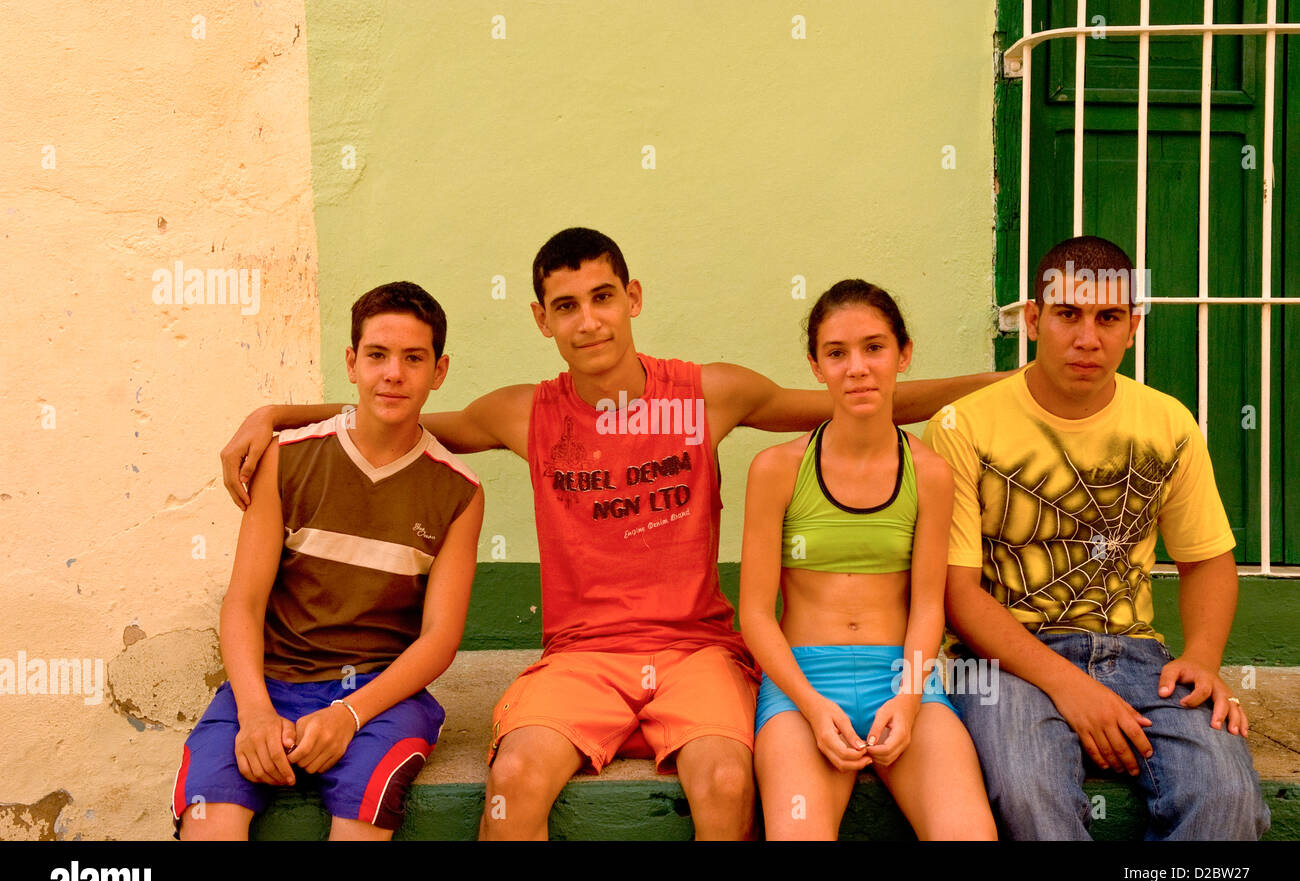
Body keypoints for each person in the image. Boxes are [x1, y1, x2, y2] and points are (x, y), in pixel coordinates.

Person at [219, 228, 1005, 840]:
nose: (588, 319)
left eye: (602, 296)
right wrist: (276, 416)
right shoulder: (525, 411)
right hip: (583, 656)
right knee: (516, 776)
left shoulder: (709, 392)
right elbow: (394, 410)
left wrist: (1016, 382)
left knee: (728, 784)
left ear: (633, 296)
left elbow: (864, 397)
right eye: (566, 305)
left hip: (695, 651)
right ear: (542, 319)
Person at [922, 236, 1271, 840]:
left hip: (1139, 657)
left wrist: (1204, 660)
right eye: (1067, 315)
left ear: (1132, 326)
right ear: (1033, 320)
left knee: (1230, 797)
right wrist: (1072, 688)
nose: (1088, 339)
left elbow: (1208, 560)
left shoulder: (1167, 421)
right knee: (1028, 794)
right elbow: (957, 592)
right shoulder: (963, 426)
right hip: (1007, 662)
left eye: (1109, 317)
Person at [174, 282, 484, 840]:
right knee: (208, 824)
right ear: (351, 362)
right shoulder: (287, 459)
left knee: (359, 824)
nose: (393, 374)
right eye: (377, 355)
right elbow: (243, 603)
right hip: (270, 681)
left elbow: (439, 638)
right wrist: (255, 713)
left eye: (414, 359)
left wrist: (351, 715)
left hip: (381, 694)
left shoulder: (458, 490)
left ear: (438, 372)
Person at [739, 280, 996, 840]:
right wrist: (809, 705)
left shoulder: (928, 473)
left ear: (903, 354)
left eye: (874, 348)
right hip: (801, 683)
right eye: (837, 353)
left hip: (903, 680)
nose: (857, 367)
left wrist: (907, 700)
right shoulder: (777, 469)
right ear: (815, 366)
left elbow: (929, 604)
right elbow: (755, 613)